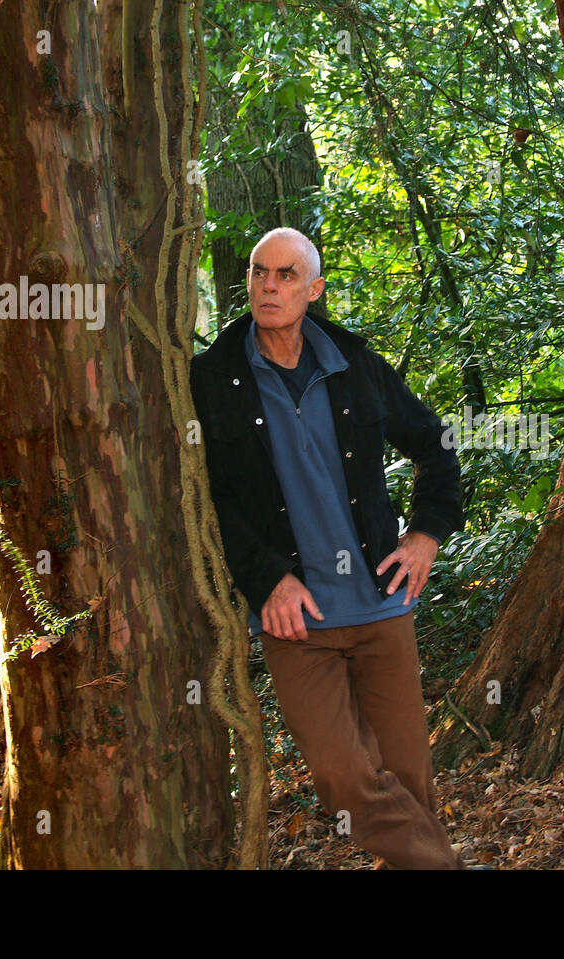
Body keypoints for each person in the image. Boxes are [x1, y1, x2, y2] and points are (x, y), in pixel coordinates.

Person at [189, 226, 466, 869]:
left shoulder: (353, 363)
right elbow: (211, 500)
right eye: (260, 272)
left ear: (313, 289)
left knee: (409, 775)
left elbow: (435, 442)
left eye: (287, 275)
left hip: (379, 603)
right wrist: (266, 580)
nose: (269, 286)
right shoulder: (215, 378)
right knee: (345, 779)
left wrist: (426, 534)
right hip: (297, 618)